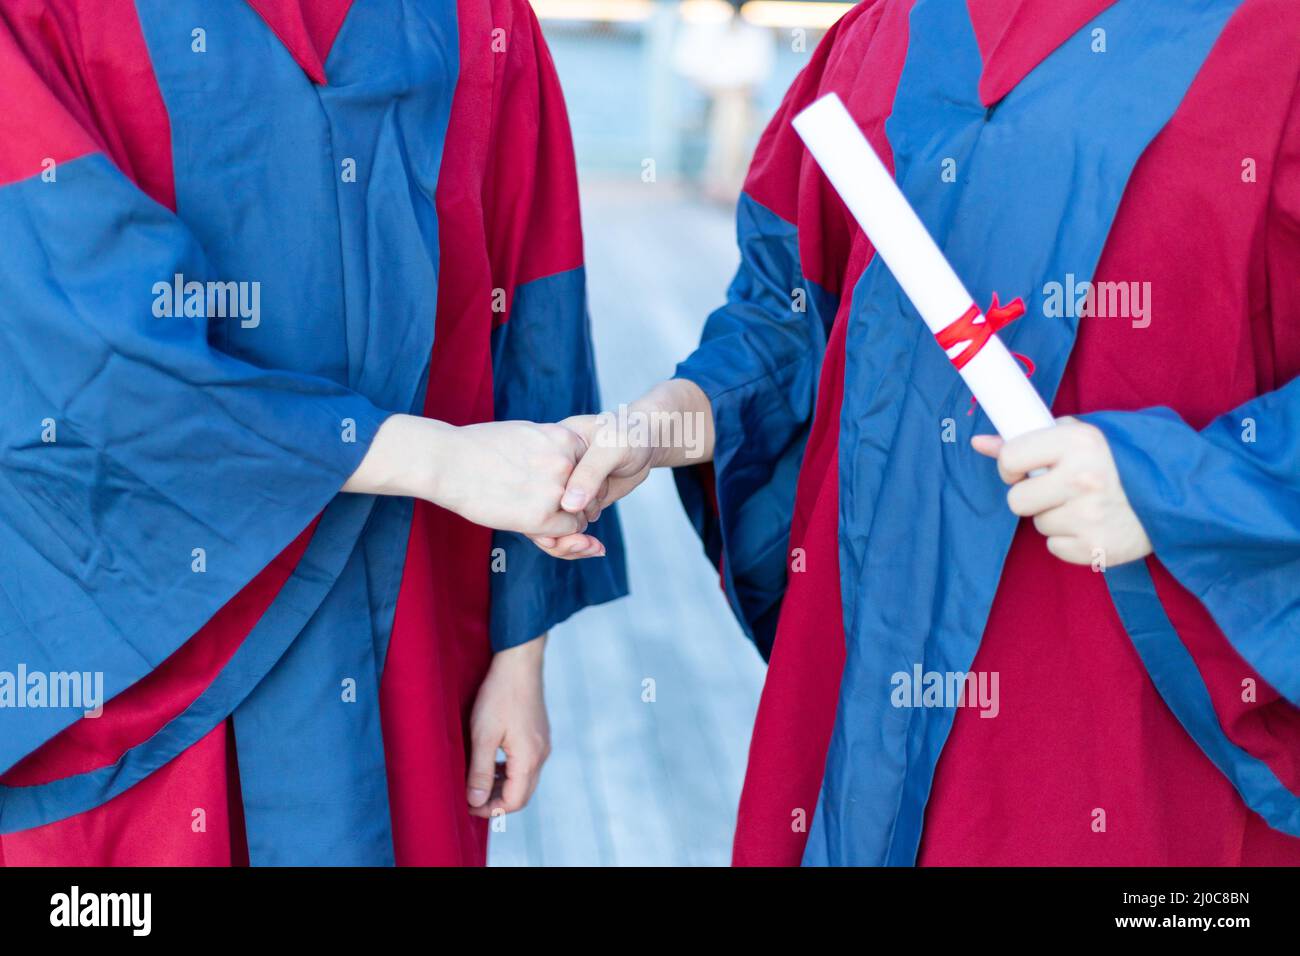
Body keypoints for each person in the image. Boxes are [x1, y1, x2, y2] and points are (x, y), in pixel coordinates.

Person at [559, 0, 1300, 865]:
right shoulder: (884, 34)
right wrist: (677, 413)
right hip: (866, 678)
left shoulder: (1271, 41)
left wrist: (1173, 485)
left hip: (1114, 708)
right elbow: (789, 315)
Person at [0, 0, 623, 866]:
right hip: (148, 635)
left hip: (413, 623)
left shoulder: (485, 15)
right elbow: (72, 345)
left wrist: (521, 649)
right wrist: (431, 458)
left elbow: (531, 310)